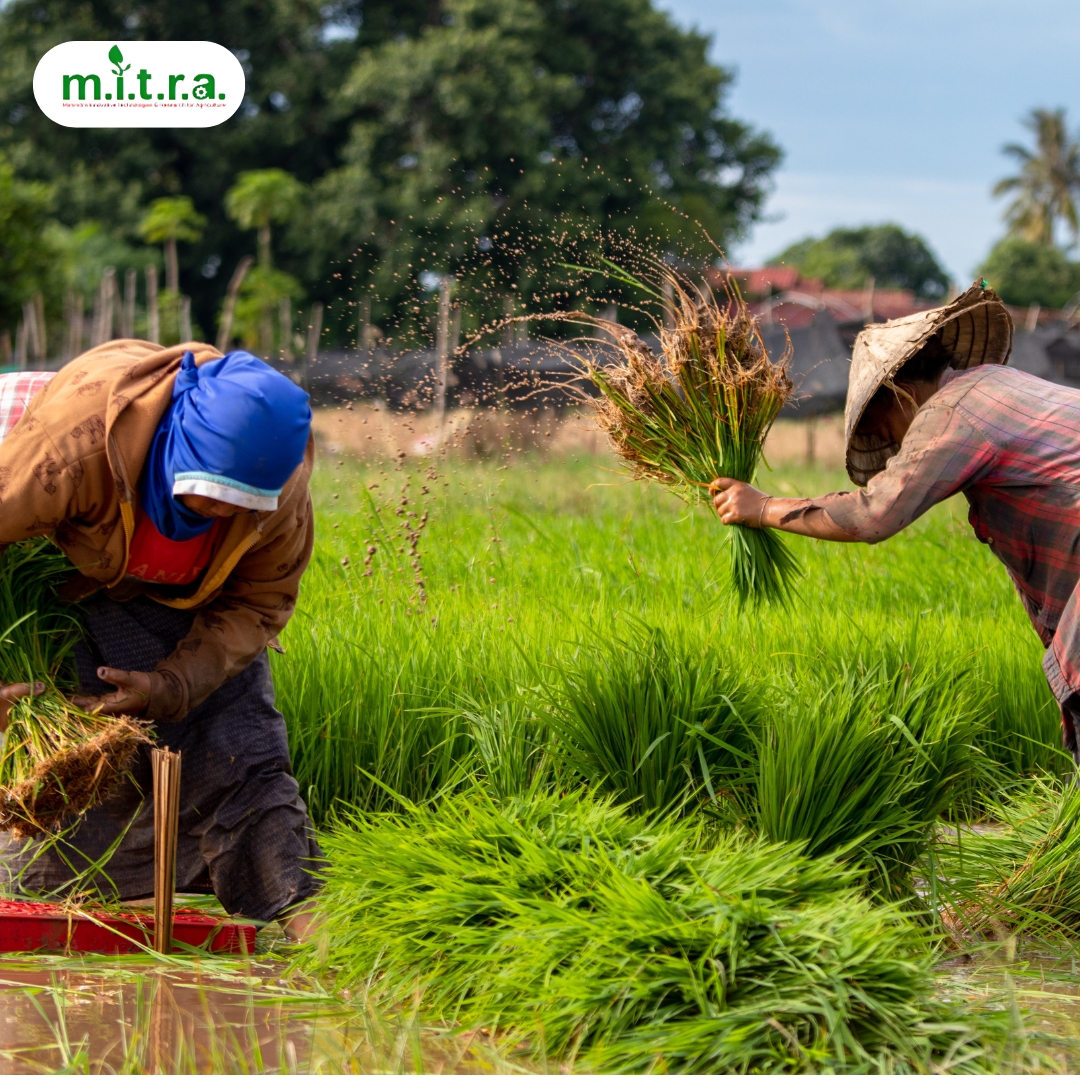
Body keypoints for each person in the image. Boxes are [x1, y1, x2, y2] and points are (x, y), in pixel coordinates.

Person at [0, 339, 321, 939]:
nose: (215, 512)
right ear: (175, 445)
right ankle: (72, 901)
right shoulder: (69, 450)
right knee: (66, 777)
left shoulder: (280, 494)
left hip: (186, 603)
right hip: (53, 565)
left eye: (236, 504)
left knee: (239, 749)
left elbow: (258, 603)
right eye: (205, 492)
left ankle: (309, 920)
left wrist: (170, 684)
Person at [710, 281, 1080, 763]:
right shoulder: (999, 384)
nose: (897, 443)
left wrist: (762, 508)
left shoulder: (952, 412)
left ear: (899, 394)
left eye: (884, 427)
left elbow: (873, 515)